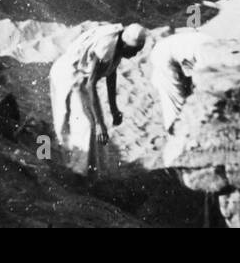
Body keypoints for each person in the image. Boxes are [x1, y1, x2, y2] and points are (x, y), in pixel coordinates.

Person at [49, 22, 148, 176]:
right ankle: (77, 173)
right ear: (127, 44)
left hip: (79, 77)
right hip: (68, 75)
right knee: (86, 125)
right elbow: (90, 86)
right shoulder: (107, 47)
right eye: (135, 50)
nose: (135, 55)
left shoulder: (120, 40)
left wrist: (114, 109)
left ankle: (82, 169)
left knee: (83, 125)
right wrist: (100, 123)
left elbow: (111, 74)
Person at [149, 28, 203, 134]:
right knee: (175, 101)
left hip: (171, 49)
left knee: (187, 92)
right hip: (165, 56)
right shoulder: (208, 60)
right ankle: (175, 132)